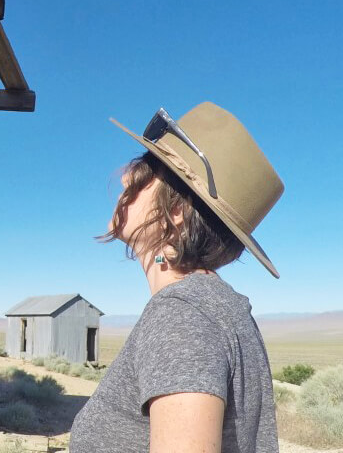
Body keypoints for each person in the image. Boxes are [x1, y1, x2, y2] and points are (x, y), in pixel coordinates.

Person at [70, 102, 285, 453]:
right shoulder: (219, 309)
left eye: (147, 167)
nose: (126, 177)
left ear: (175, 211)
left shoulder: (182, 315)